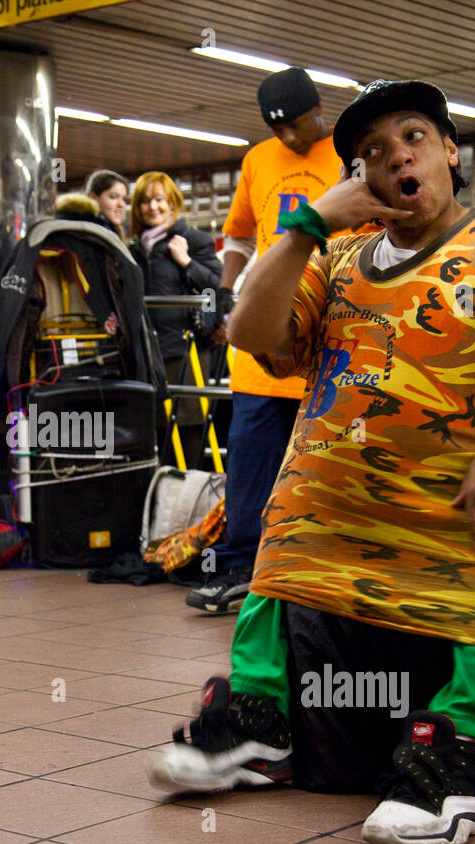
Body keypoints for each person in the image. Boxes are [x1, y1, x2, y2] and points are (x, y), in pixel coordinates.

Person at [147, 79, 475, 844]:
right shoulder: (338, 256)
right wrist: (308, 227)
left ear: (450, 150)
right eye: (373, 152)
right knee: (286, 525)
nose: (396, 158)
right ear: (359, 179)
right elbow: (250, 332)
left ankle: (465, 757)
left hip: (470, 515)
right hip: (339, 518)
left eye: (412, 137)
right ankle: (259, 722)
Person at [189, 68, 354, 616]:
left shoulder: (350, 152)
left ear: (318, 108)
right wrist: (224, 288)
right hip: (264, 339)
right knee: (250, 464)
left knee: (323, 467)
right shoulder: (257, 160)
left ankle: (316, 574)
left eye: (297, 125)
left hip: (327, 339)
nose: (287, 139)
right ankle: (239, 567)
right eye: (276, 129)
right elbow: (237, 234)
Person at [129, 171, 222, 468]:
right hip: (145, 350)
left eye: (159, 199)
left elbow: (217, 287)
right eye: (145, 201)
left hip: (184, 351)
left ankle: (185, 494)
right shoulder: (133, 249)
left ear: (172, 203)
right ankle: (160, 496)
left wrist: (186, 262)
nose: (152, 207)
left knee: (188, 424)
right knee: (154, 426)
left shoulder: (193, 241)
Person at [84, 169, 129, 238]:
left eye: (124, 199)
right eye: (113, 197)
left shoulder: (114, 232)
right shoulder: (83, 233)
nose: (121, 204)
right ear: (93, 198)